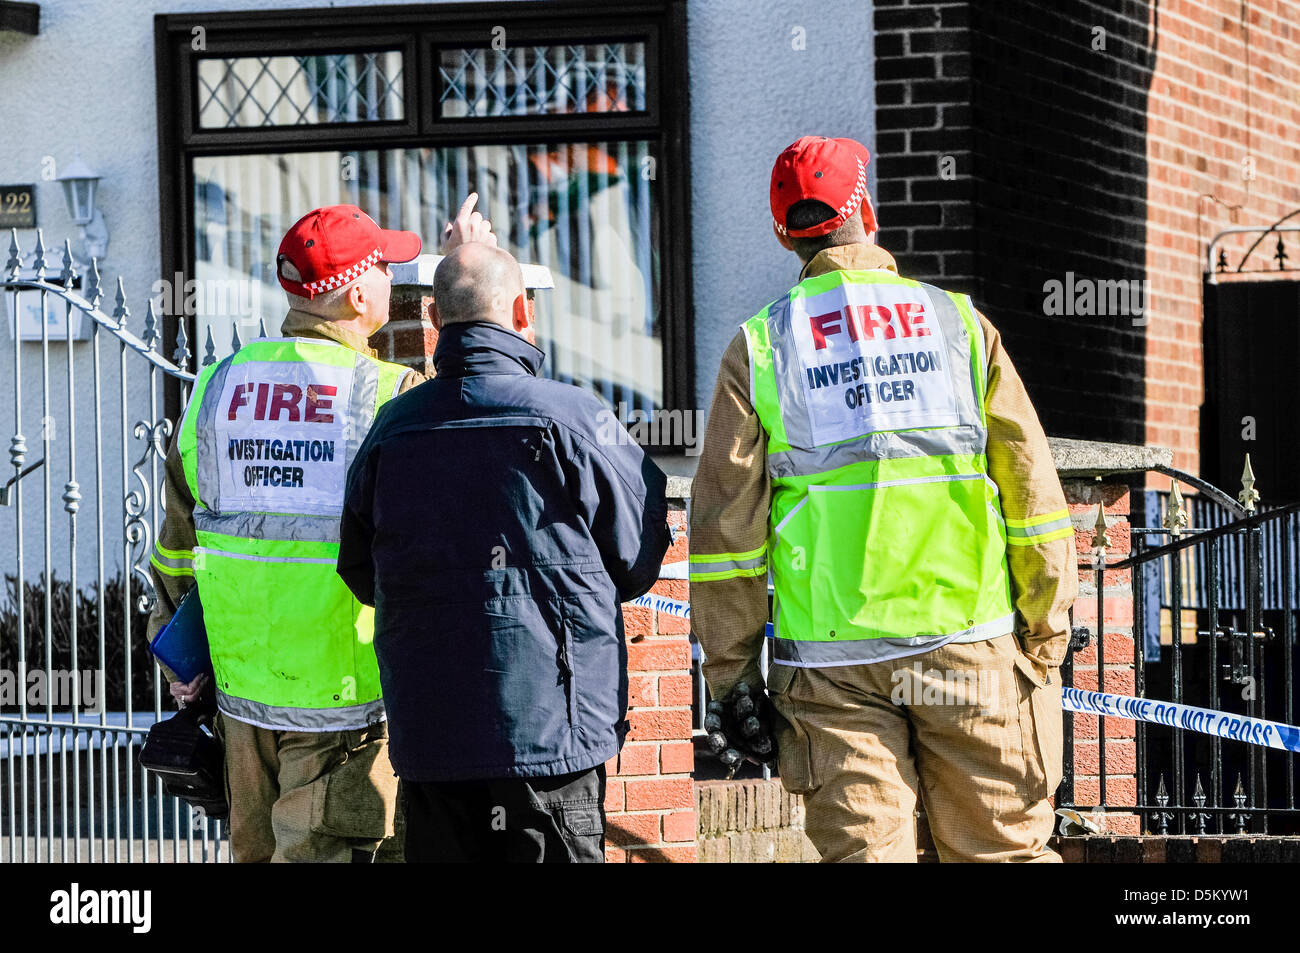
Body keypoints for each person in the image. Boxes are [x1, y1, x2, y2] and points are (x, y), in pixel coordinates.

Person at [689, 136, 1079, 862]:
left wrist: (731, 674)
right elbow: (1033, 493)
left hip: (834, 668)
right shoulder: (959, 325)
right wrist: (1044, 634)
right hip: (971, 645)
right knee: (1004, 854)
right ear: (866, 210)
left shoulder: (762, 347)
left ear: (783, 232)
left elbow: (725, 537)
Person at [147, 196, 495, 862]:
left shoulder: (218, 387)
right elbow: (479, 408)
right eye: (387, 270)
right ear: (358, 291)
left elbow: (176, 544)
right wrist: (465, 266)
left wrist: (175, 656)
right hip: (346, 708)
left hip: (243, 702)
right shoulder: (390, 395)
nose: (394, 283)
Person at [338, 242, 670, 863]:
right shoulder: (575, 418)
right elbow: (639, 556)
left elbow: (360, 568)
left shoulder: (393, 427)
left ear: (434, 319)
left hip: (433, 733)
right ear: (523, 310)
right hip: (551, 732)